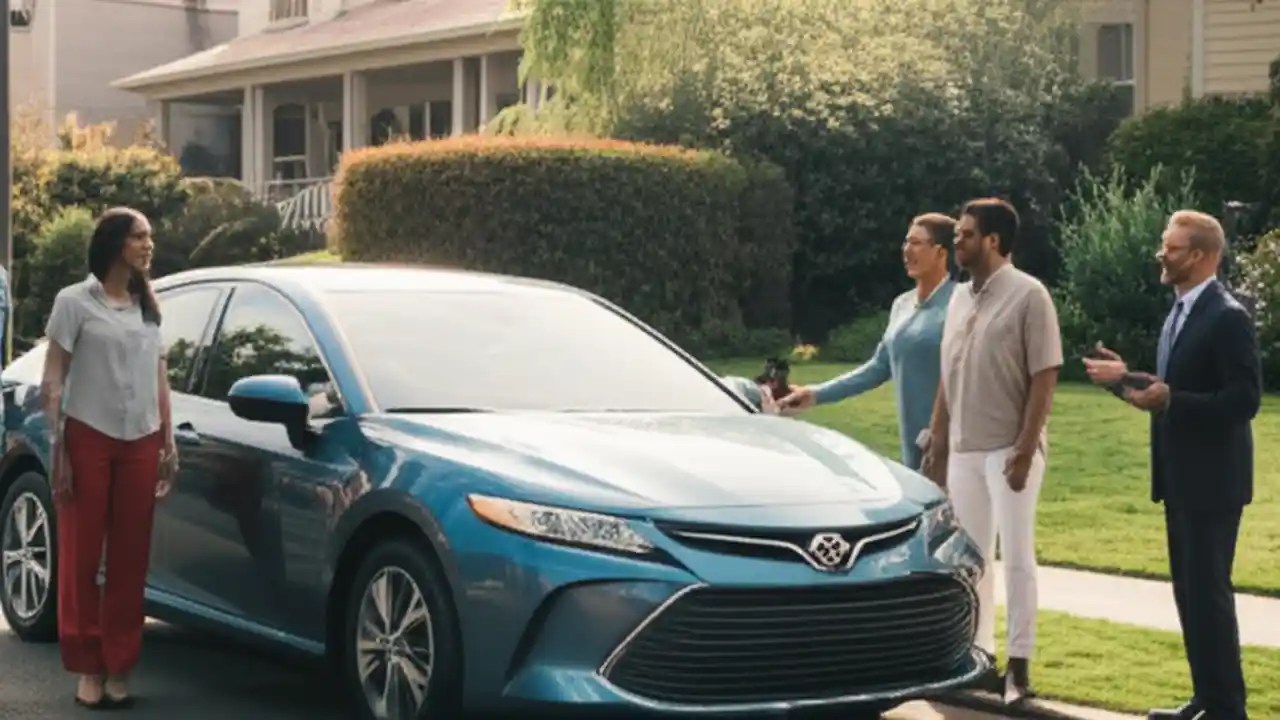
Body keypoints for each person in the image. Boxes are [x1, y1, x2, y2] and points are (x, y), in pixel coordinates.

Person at [1083, 210, 1257, 720]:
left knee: (1209, 599)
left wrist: (1171, 400)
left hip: (1213, 484)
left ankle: (1227, 711)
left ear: (1202, 256)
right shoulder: (1180, 310)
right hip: (1179, 481)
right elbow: (1168, 390)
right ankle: (1207, 701)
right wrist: (1123, 379)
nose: (1163, 254)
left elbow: (1243, 400)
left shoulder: (1227, 316)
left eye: (1172, 248)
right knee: (1191, 598)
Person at [921, 198, 1061, 704]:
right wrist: (937, 440)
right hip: (963, 450)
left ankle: (1019, 669)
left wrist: (1024, 450)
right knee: (971, 560)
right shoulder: (959, 297)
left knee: (1017, 556)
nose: (956, 241)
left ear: (994, 241)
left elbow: (1044, 375)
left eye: (965, 234)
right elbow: (948, 373)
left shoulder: (1029, 295)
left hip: (1009, 450)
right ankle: (976, 660)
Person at [41, 207, 179, 709]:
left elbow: (158, 376)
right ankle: (87, 665)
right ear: (116, 242)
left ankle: (119, 662)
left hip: (140, 440)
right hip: (88, 437)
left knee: (129, 558)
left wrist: (168, 439)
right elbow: (53, 377)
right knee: (80, 556)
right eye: (140, 236)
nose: (148, 245)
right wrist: (60, 448)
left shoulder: (148, 305)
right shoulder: (74, 302)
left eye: (150, 236)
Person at [779, 213, 957, 469]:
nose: (907, 250)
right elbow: (878, 367)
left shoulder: (960, 303)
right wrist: (815, 394)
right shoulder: (902, 305)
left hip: (954, 447)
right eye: (906, 242)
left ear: (941, 253)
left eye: (917, 243)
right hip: (914, 443)